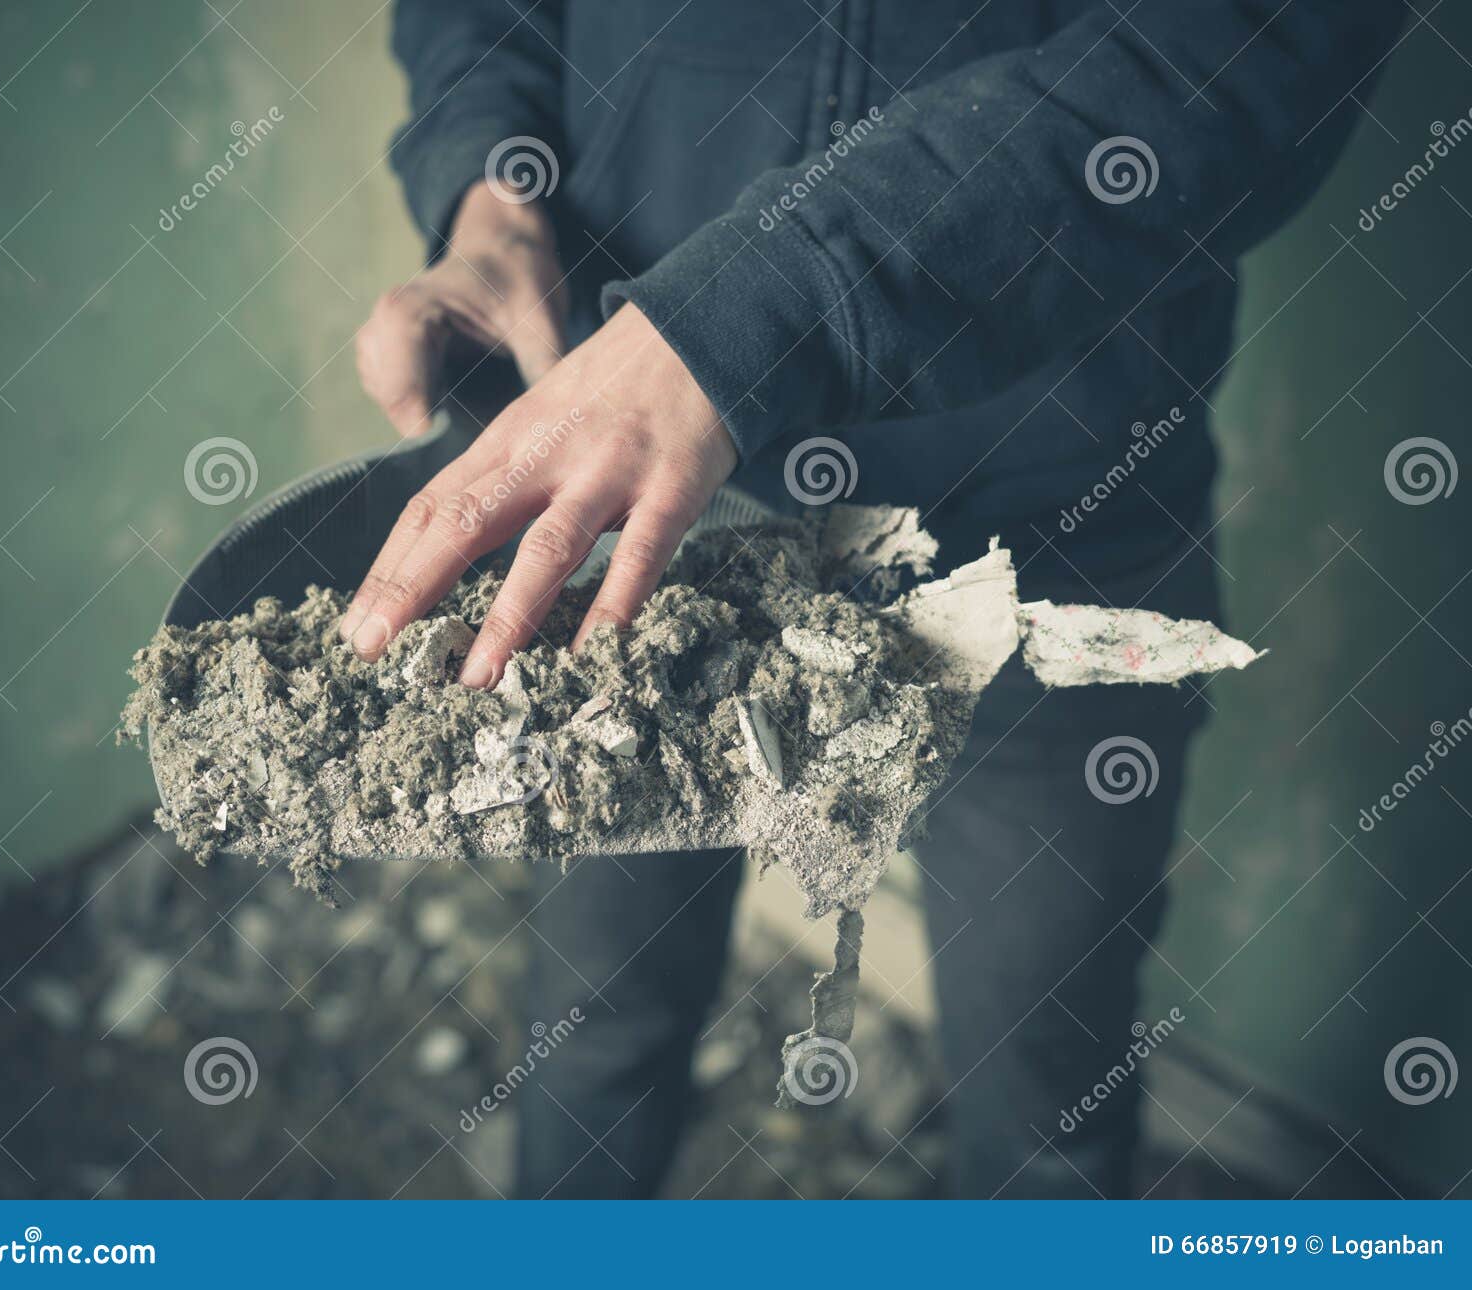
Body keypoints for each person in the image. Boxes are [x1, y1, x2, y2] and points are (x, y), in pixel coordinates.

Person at [346, 1, 1404, 1197]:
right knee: (595, 1029)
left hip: (1051, 543)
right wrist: (491, 183)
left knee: (1044, 1111)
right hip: (652, 543)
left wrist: (742, 318)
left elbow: (1247, 50)